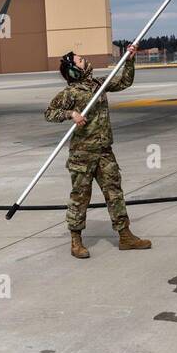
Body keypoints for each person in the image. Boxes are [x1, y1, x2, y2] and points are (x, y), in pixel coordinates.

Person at [44, 44, 150, 259]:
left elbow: (124, 82)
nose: (85, 60)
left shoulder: (98, 85)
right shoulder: (70, 93)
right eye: (81, 60)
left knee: (114, 193)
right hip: (82, 154)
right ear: (74, 70)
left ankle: (125, 235)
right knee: (80, 197)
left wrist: (129, 59)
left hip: (104, 151)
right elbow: (49, 113)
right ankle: (76, 241)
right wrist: (71, 114)